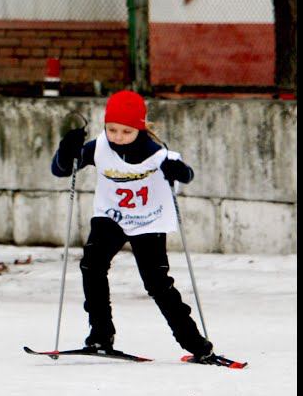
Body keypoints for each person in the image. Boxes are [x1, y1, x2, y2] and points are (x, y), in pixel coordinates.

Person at [51, 89, 228, 364]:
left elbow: (187, 173)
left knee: (157, 284)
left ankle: (198, 346)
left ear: (140, 128)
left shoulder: (155, 152)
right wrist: (67, 149)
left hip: (149, 220)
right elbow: (61, 170)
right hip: (111, 217)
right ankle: (100, 336)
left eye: (126, 131)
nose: (118, 137)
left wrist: (177, 172)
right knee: (92, 266)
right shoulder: (99, 146)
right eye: (112, 130)